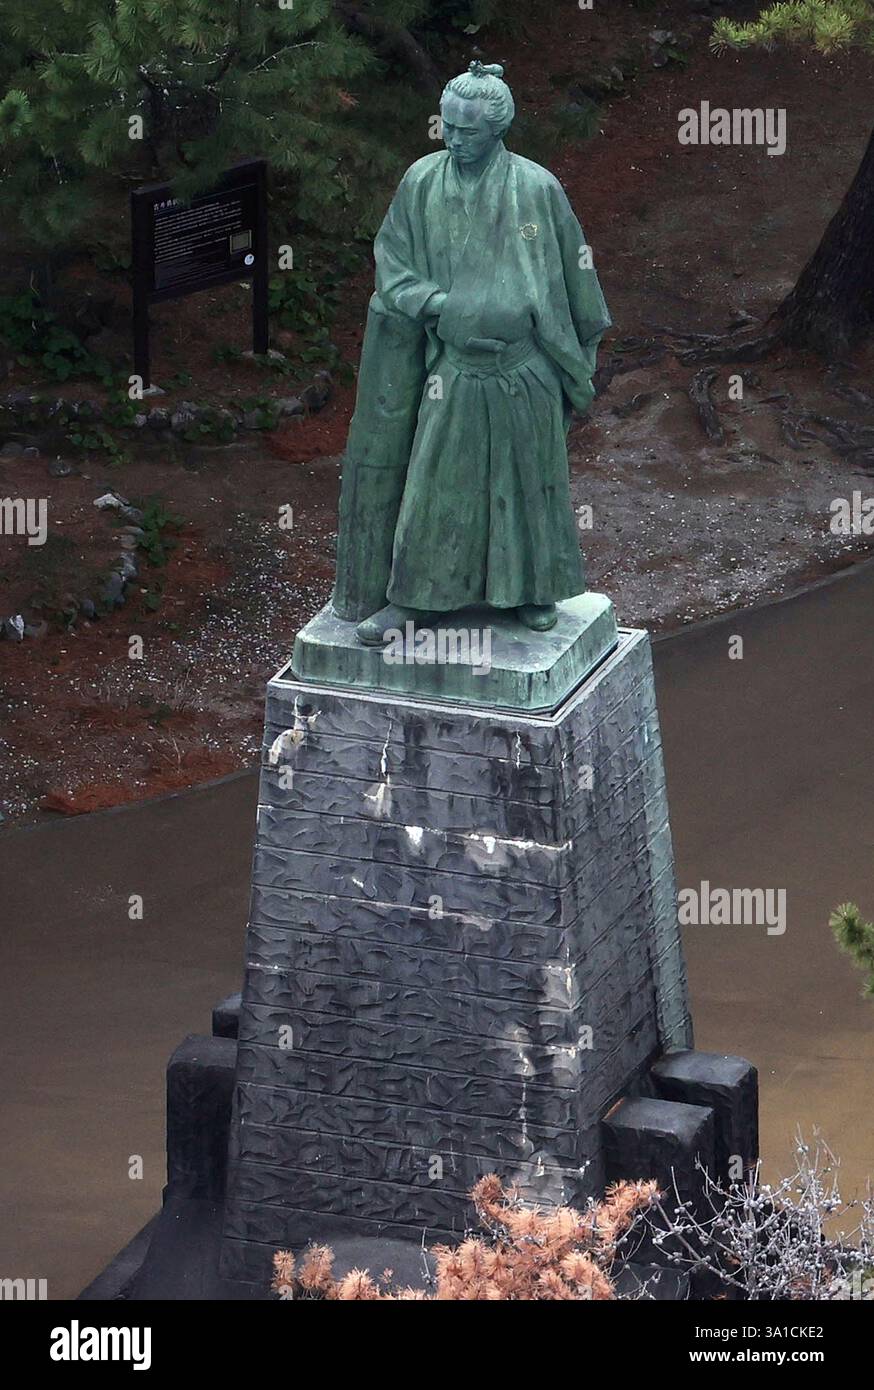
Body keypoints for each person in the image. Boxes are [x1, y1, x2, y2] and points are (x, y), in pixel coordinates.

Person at [332, 61, 611, 644]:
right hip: (453, 370)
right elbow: (393, 264)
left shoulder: (537, 188)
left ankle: (531, 591)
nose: (454, 139)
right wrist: (440, 304)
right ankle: (418, 599)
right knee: (435, 489)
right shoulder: (421, 182)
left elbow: (577, 273)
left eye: (468, 130)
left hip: (523, 368)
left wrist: (576, 355)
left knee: (527, 486)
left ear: (498, 129)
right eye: (448, 127)